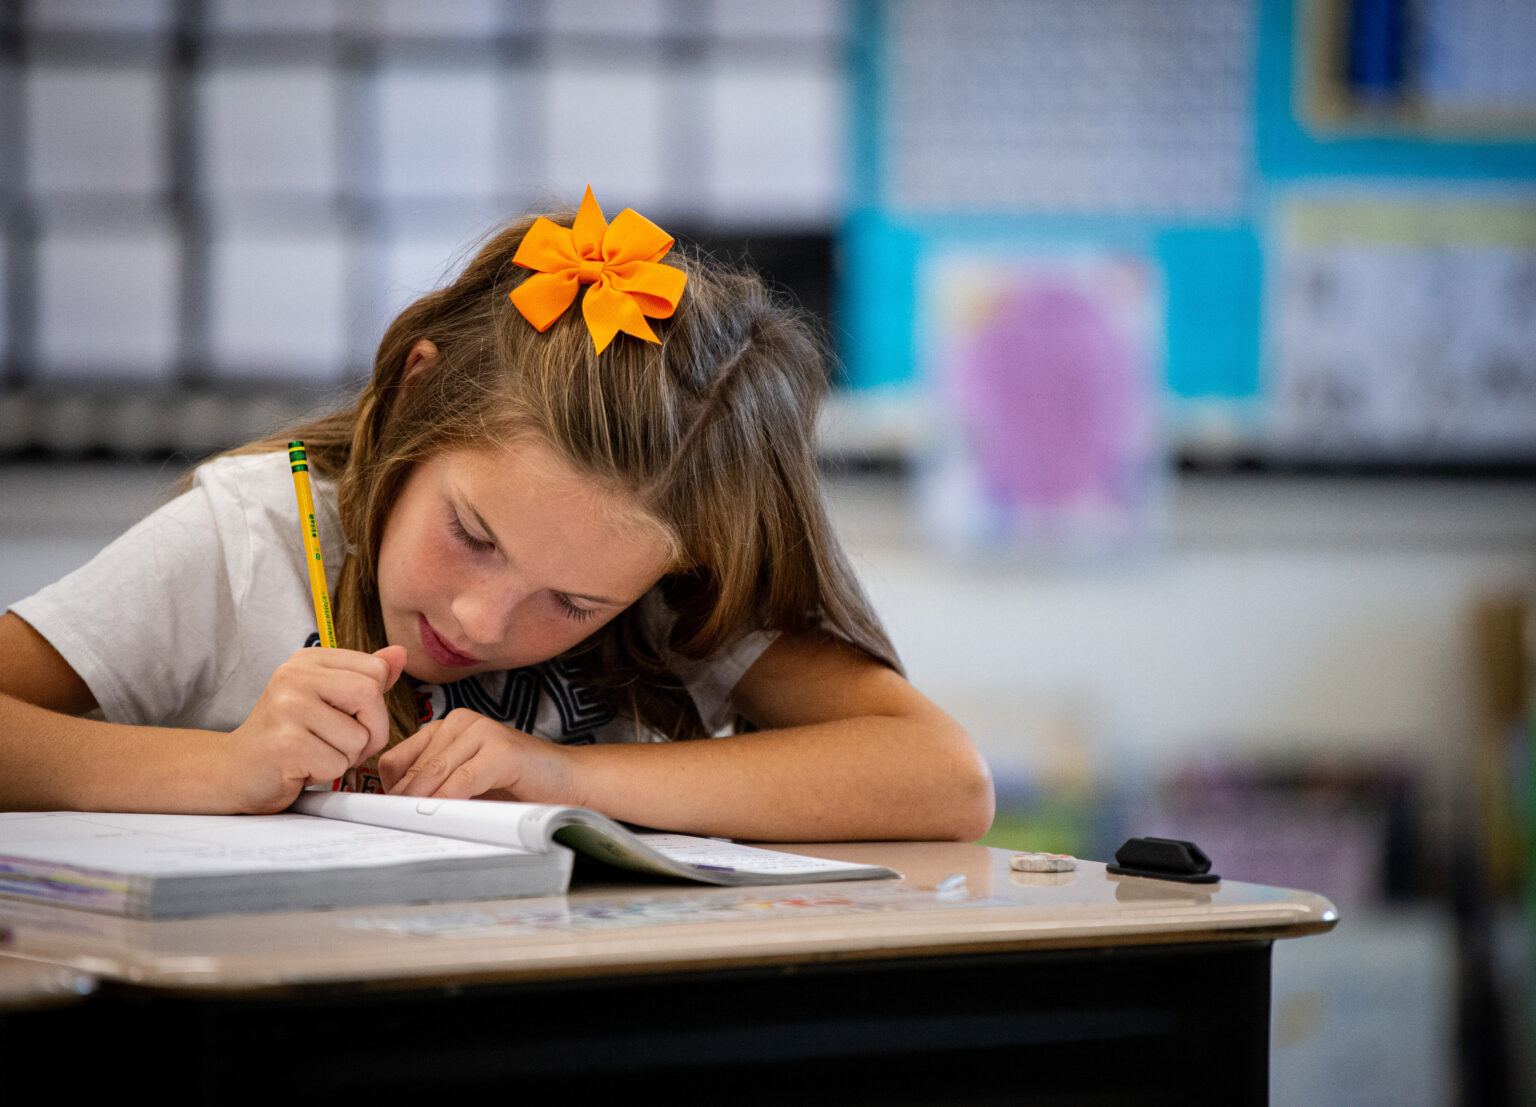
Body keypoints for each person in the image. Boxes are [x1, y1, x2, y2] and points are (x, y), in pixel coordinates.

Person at [0, 187, 993, 842]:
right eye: (472, 535)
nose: (481, 621)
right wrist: (220, 769)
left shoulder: (665, 593)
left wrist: (563, 778)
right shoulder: (243, 538)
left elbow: (944, 780)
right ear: (413, 397)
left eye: (570, 602)